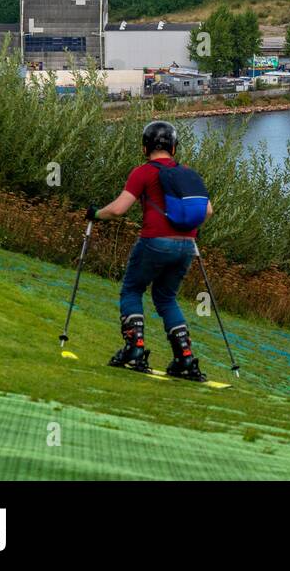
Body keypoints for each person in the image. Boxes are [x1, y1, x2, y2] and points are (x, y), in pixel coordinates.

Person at [88, 120, 213, 381]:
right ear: (174, 148)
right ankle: (185, 358)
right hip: (186, 245)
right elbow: (208, 211)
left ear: (145, 148)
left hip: (155, 241)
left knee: (132, 289)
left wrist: (95, 214)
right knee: (166, 298)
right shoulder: (188, 173)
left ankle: (134, 350)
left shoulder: (143, 172)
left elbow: (118, 209)